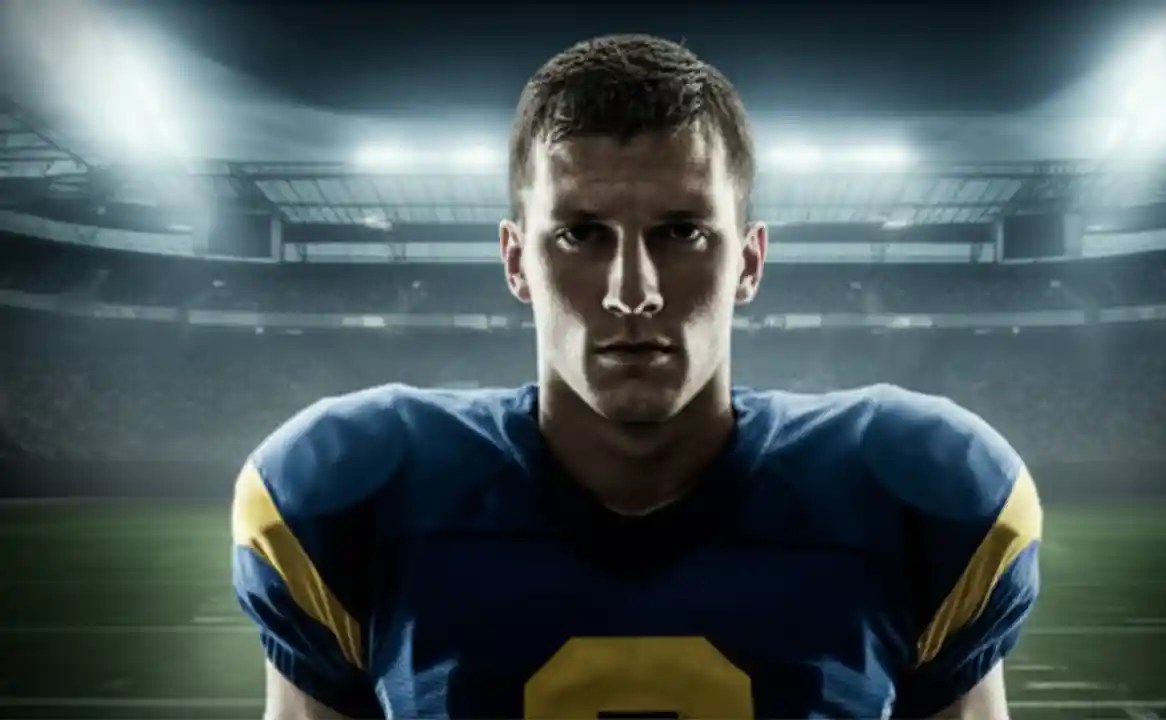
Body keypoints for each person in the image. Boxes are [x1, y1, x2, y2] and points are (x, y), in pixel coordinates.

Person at [232, 34, 1041, 719]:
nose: (632, 292)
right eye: (580, 234)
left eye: (682, 232)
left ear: (749, 262)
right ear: (515, 262)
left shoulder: (917, 496)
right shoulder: (351, 495)